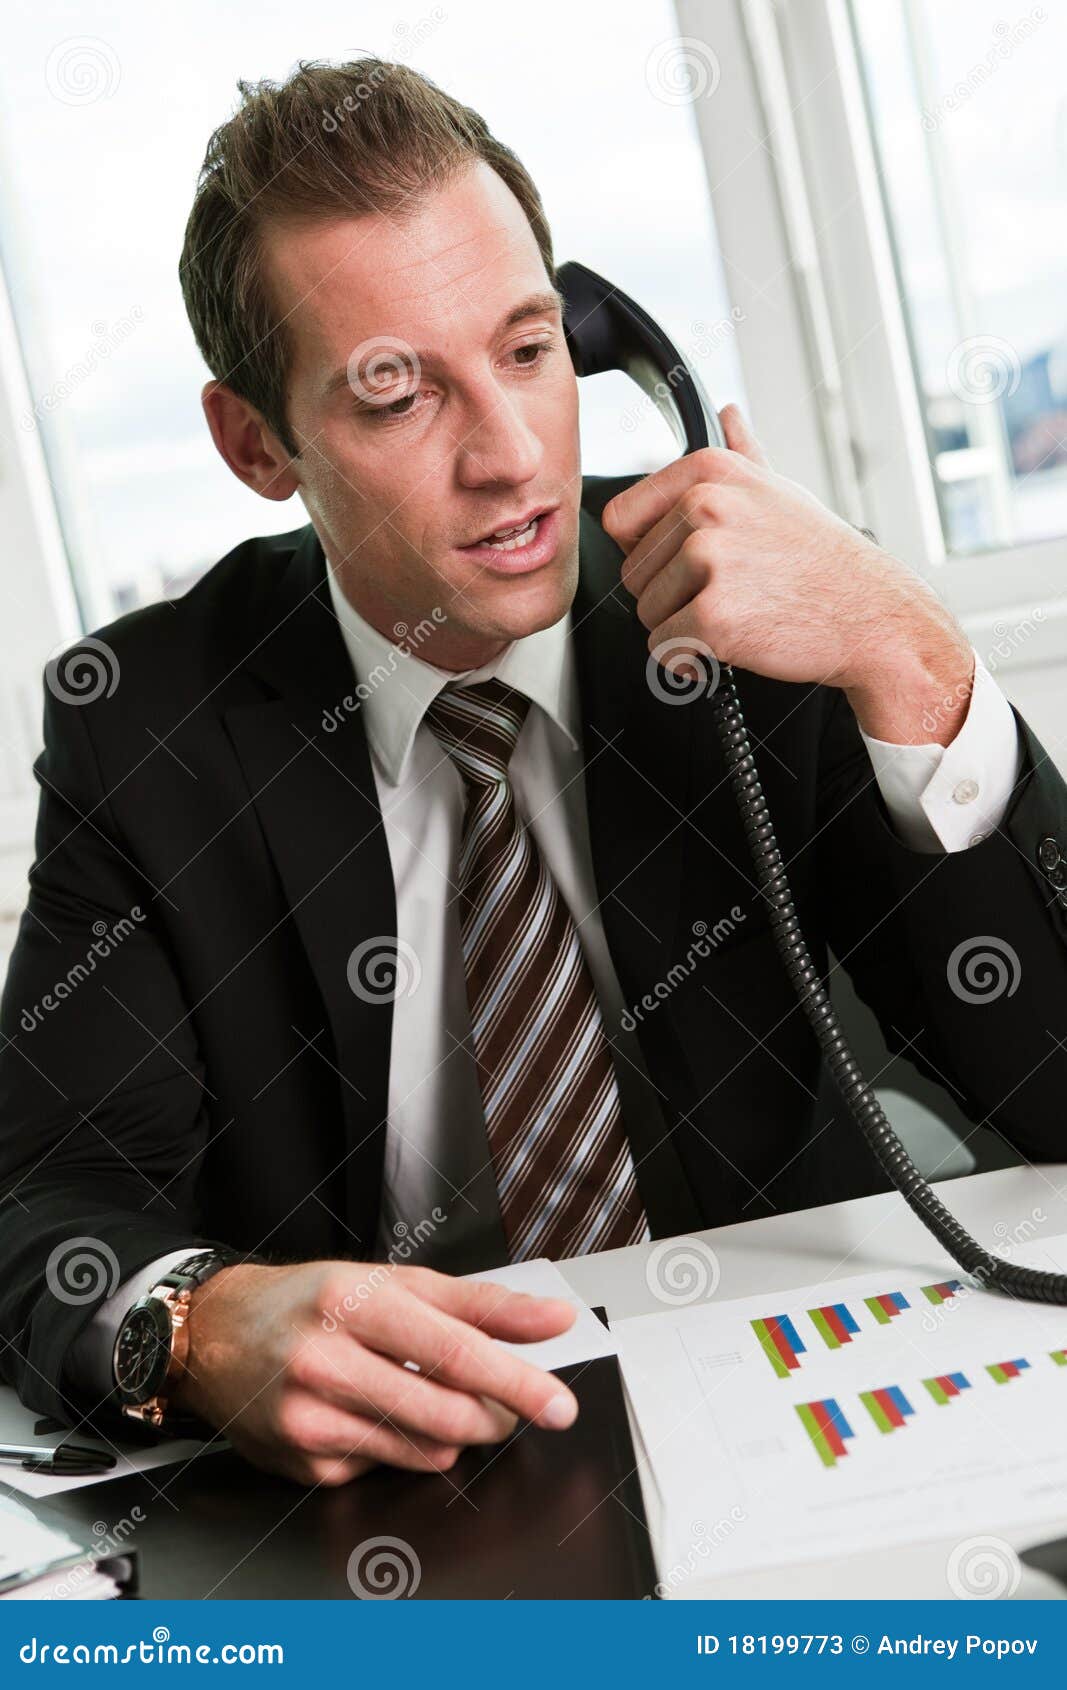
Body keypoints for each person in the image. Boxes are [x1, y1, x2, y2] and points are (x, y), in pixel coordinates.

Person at [2, 59, 1065, 1490]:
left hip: (805, 1413)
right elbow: (43, 1195)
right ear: (259, 443)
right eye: (396, 394)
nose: (512, 460)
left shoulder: (751, 619)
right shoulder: (146, 724)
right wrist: (190, 1327)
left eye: (526, 351)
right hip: (409, 1481)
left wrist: (911, 657)